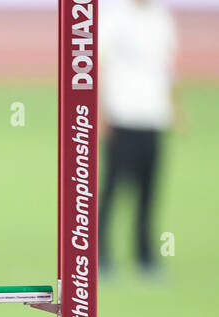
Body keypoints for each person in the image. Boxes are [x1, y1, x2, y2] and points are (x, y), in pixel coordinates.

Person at [99, 0, 178, 276]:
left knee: (149, 191)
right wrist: (100, 112)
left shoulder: (161, 17)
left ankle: (144, 258)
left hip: (154, 116)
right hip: (121, 114)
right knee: (112, 189)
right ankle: (101, 256)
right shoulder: (113, 15)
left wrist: (175, 106)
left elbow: (167, 65)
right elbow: (99, 64)